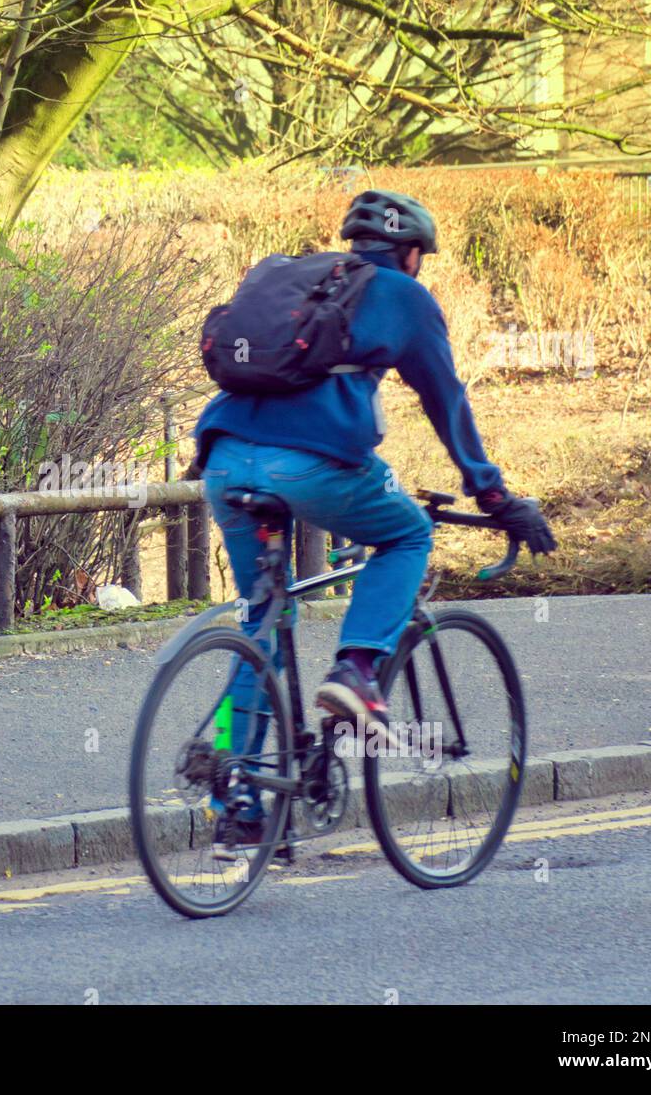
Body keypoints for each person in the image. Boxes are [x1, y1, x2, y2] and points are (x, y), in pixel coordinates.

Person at [192, 189, 557, 856]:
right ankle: (357, 671)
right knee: (406, 533)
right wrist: (497, 498)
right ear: (412, 253)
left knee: (260, 624)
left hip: (222, 458)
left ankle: (235, 793)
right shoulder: (404, 295)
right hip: (309, 463)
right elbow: (448, 403)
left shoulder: (303, 277)